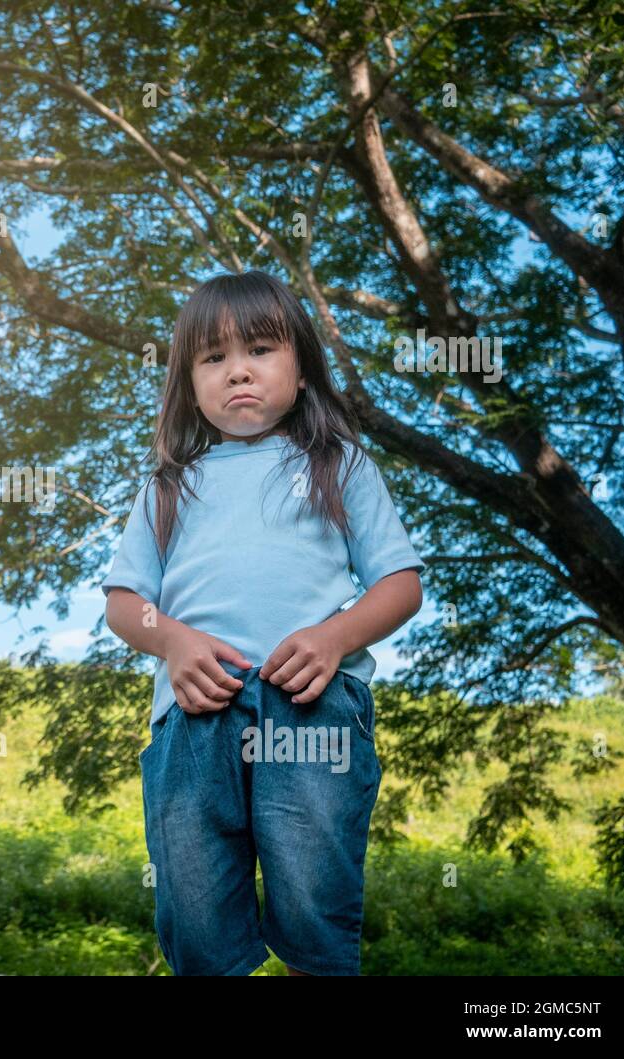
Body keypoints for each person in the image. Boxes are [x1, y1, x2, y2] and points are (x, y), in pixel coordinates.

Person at [102, 270, 425, 976]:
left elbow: (401, 585)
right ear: (190, 384)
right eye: (213, 358)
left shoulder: (337, 465)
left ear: (302, 369)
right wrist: (174, 640)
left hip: (308, 703)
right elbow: (125, 603)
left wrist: (335, 638)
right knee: (192, 902)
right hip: (195, 712)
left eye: (259, 350)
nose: (237, 370)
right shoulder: (169, 484)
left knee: (314, 890)